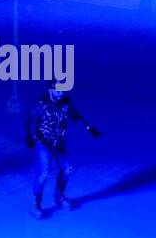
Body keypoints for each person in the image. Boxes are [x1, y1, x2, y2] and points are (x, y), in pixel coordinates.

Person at [25, 86, 101, 218]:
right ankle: (35, 203)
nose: (61, 93)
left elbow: (76, 114)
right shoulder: (42, 104)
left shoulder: (66, 103)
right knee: (44, 172)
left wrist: (89, 127)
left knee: (67, 169)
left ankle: (59, 196)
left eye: (62, 90)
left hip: (59, 143)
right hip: (43, 142)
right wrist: (28, 136)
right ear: (50, 90)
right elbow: (28, 119)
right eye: (57, 90)